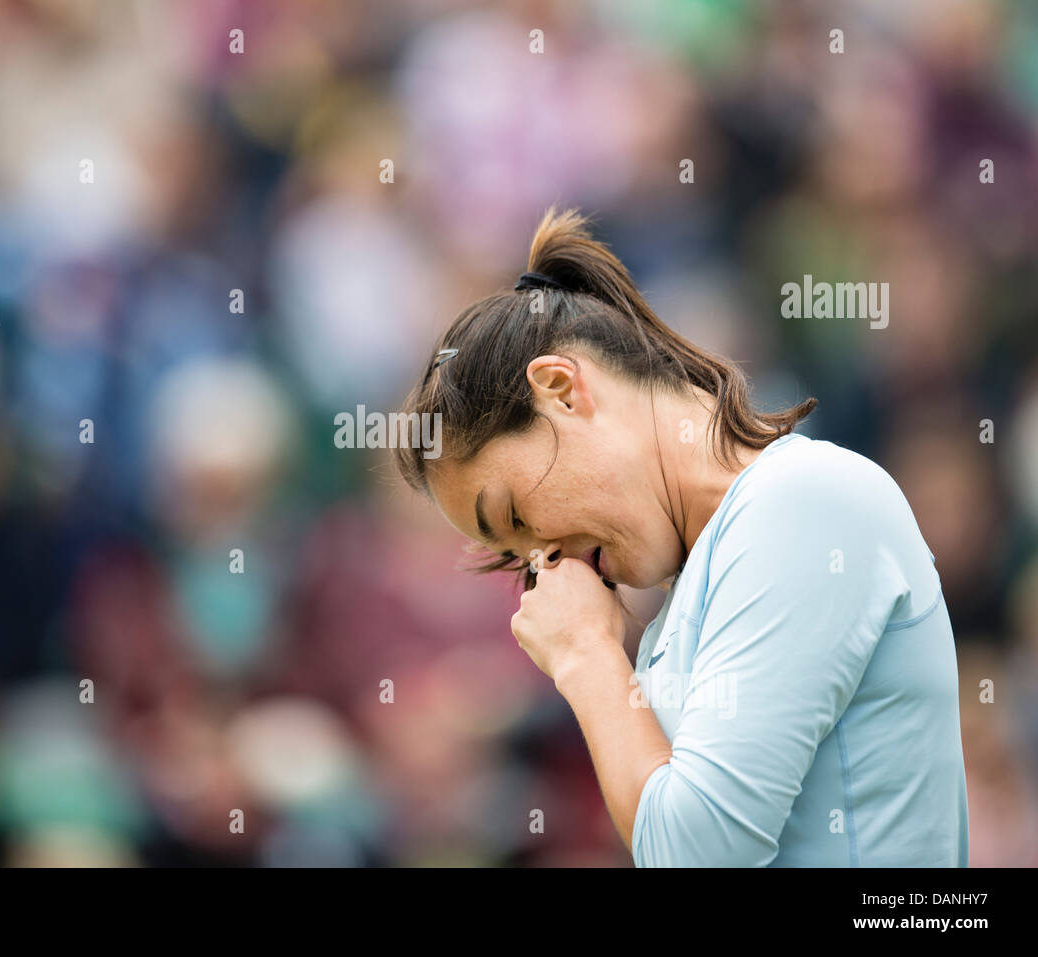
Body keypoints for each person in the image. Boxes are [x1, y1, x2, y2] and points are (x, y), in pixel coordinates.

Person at [393, 206, 969, 867]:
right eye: (520, 558)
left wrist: (585, 653)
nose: (547, 563)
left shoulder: (802, 502)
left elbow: (700, 852)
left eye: (518, 515)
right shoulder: (701, 578)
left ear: (560, 389)